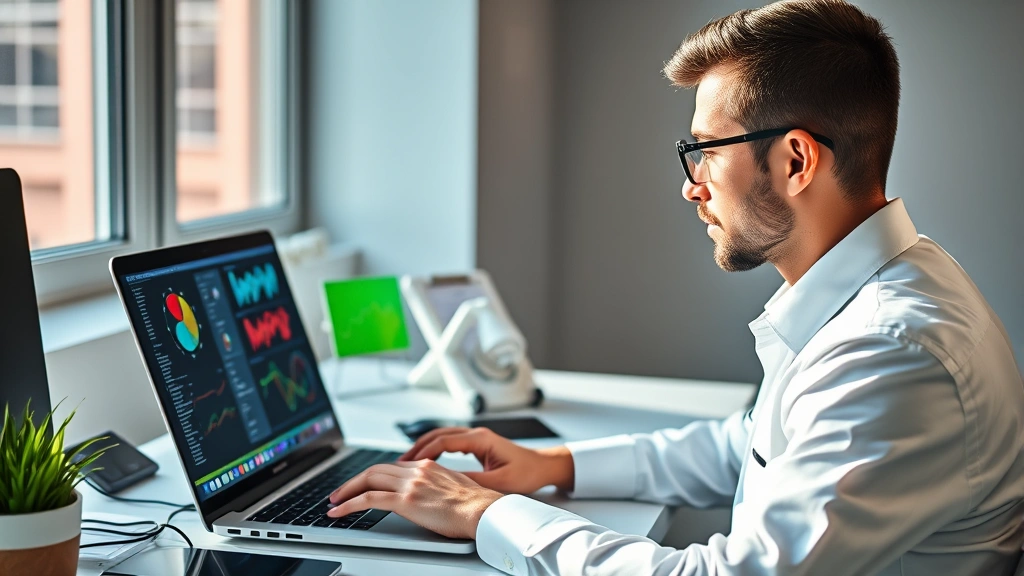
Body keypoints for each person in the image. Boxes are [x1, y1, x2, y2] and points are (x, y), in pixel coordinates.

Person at [326, 1, 1024, 574]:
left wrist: (486, 514)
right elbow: (748, 446)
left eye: (704, 151)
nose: (692, 187)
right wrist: (550, 466)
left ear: (796, 160)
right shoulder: (877, 293)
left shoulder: (890, 350)